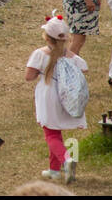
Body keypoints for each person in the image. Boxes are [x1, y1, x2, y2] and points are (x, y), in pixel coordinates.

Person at [25, 15, 88, 184]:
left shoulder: (40, 54)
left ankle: (65, 159)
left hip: (48, 97)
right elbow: (84, 67)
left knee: (50, 133)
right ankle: (54, 170)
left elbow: (29, 76)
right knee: (55, 131)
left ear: (47, 37)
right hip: (65, 97)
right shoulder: (70, 56)